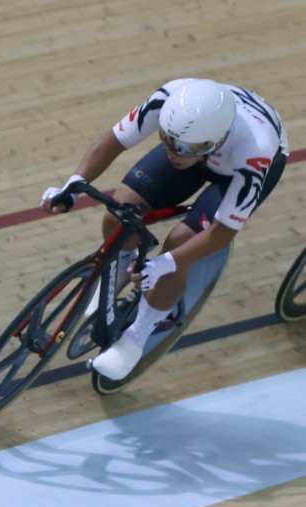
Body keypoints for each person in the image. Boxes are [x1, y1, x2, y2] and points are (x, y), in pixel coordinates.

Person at [41, 78, 287, 379]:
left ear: (213, 141)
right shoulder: (171, 101)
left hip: (236, 168)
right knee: (118, 214)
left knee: (180, 243)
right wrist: (73, 186)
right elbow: (114, 140)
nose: (175, 153)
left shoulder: (255, 151)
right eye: (168, 140)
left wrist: (165, 263)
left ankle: (136, 340)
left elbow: (223, 232)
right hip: (206, 143)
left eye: (187, 149)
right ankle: (120, 270)